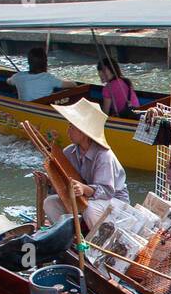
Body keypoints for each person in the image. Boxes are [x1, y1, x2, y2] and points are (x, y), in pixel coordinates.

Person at [41, 97, 130, 230]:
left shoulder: (104, 156)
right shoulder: (69, 151)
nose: (67, 131)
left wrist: (84, 188)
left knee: (90, 209)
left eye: (71, 127)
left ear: (84, 132)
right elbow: (62, 183)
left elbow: (106, 192)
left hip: (113, 201)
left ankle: (100, 244)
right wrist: (48, 181)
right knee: (50, 202)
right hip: (85, 199)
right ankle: (71, 237)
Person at [7, 47, 73, 101]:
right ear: (45, 62)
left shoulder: (18, 77)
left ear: (28, 62)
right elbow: (72, 85)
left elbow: (8, 81)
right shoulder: (49, 78)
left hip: (25, 108)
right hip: (43, 107)